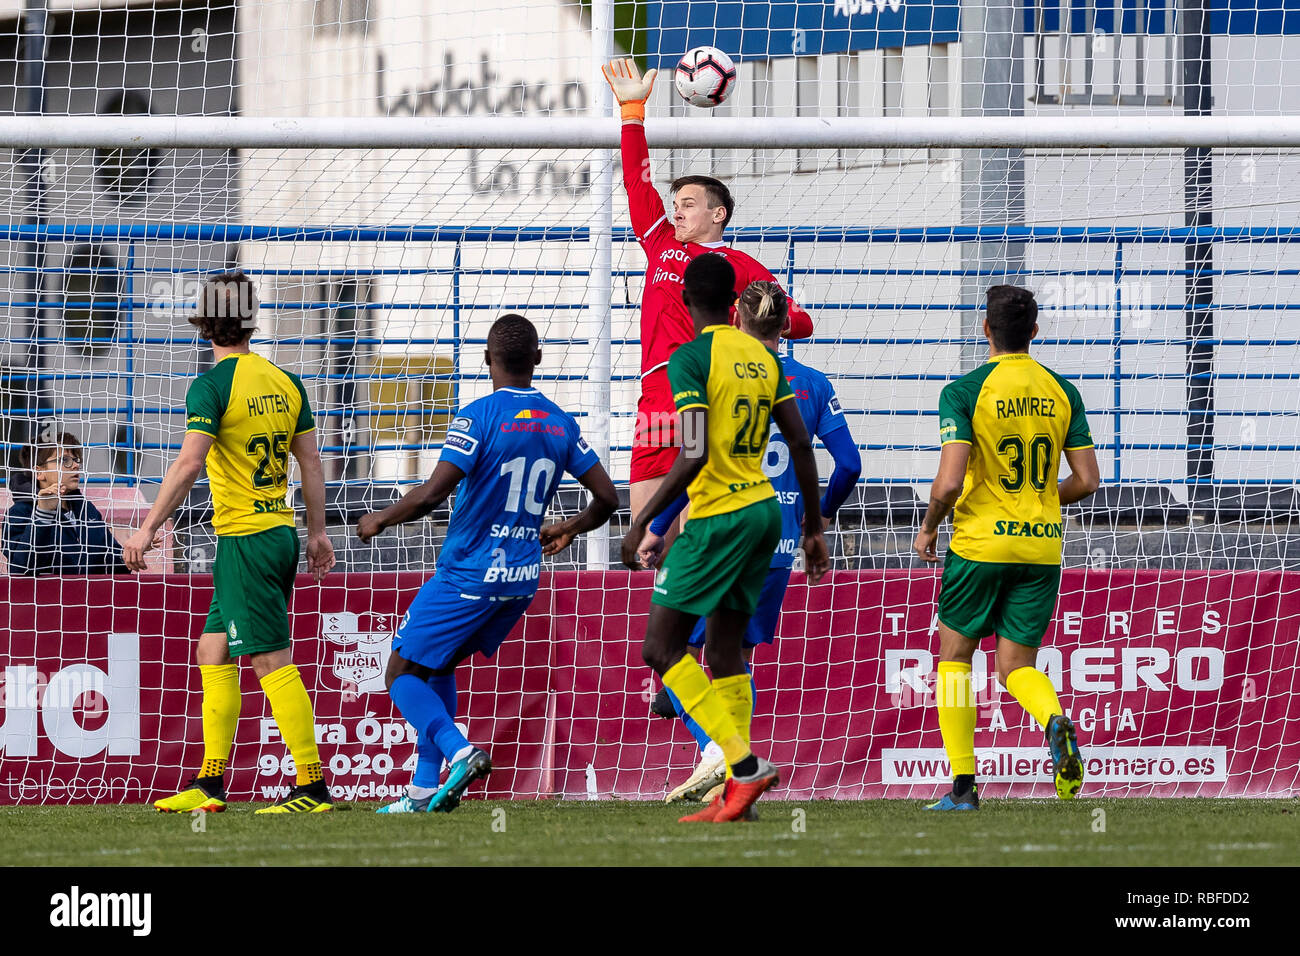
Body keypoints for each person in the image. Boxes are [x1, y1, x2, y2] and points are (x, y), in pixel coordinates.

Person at [358, 314, 617, 814]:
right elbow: (606, 497)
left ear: (486, 359)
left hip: (469, 573)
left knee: (399, 672)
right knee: (438, 666)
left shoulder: (477, 418)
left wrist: (380, 520)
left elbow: (433, 494)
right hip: (520, 580)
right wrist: (569, 528)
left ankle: (462, 753)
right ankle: (422, 791)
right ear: (538, 360)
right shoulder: (561, 423)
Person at [621, 254, 830, 824]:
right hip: (767, 515)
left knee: (661, 650)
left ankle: (742, 764)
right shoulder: (763, 358)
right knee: (723, 652)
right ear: (734, 304)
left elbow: (692, 451)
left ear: (686, 300)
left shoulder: (687, 358)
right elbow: (803, 446)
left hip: (718, 516)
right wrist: (812, 528)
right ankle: (736, 798)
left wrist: (643, 522)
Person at [125, 271, 338, 814]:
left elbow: (190, 462)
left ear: (204, 325)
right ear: (250, 321)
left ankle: (312, 787)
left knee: (269, 661)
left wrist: (148, 528)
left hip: (245, 538)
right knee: (212, 649)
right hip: (278, 532)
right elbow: (310, 459)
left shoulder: (212, 385)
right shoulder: (285, 381)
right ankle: (210, 784)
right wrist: (316, 532)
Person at [602, 58, 814, 531]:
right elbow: (637, 182)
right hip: (655, 397)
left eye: (689, 204)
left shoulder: (741, 267)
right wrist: (633, 111)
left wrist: (749, 319)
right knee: (645, 542)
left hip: (706, 394)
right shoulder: (660, 243)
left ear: (719, 215)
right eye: (675, 205)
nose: (676, 212)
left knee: (699, 538)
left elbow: (800, 321)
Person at [914, 284, 1100, 810]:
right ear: (1034, 333)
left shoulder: (965, 390)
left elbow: (949, 483)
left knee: (955, 656)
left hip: (978, 545)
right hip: (1041, 548)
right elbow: (1087, 480)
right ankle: (1055, 721)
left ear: (986, 330)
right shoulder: (1063, 391)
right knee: (1016, 665)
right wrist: (1041, 499)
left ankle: (963, 788)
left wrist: (930, 527)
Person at [2, 432, 139, 576]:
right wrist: (43, 514)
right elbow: (20, 570)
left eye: (76, 459)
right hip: (48, 597)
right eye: (64, 460)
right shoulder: (19, 513)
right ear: (39, 473)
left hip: (90, 596)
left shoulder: (86, 510)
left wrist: (132, 552)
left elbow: (112, 564)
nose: (75, 466)